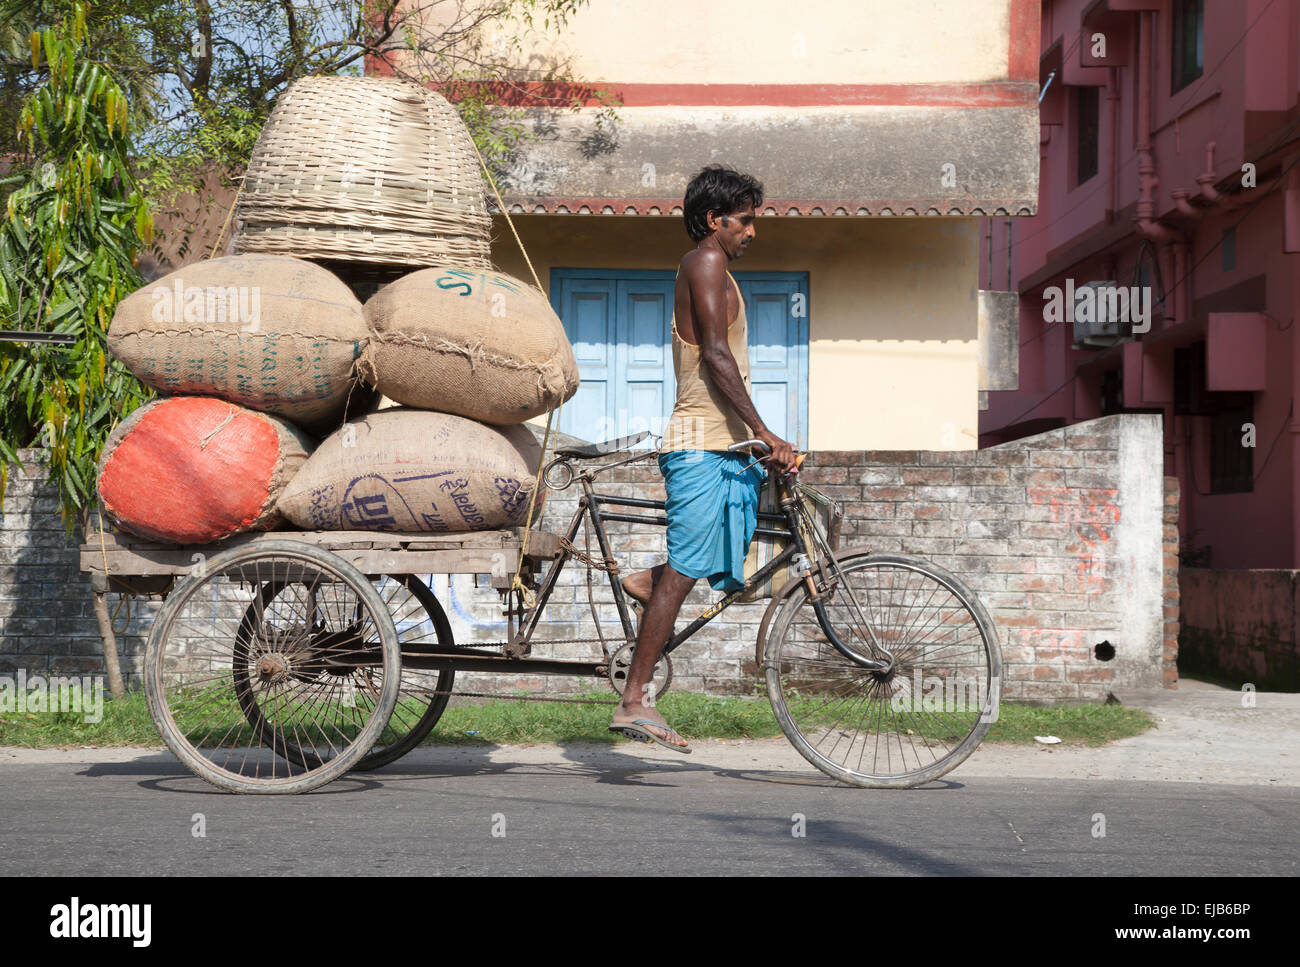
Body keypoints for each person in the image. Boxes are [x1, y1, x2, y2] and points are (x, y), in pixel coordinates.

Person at [609, 165, 798, 753]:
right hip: (697, 444)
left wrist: (752, 439)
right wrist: (766, 432)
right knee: (688, 564)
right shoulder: (705, 262)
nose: (752, 232)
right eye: (744, 221)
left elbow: (725, 363)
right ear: (715, 221)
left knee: (702, 562)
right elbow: (716, 357)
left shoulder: (713, 269)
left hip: (720, 444)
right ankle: (634, 700)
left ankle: (648, 582)